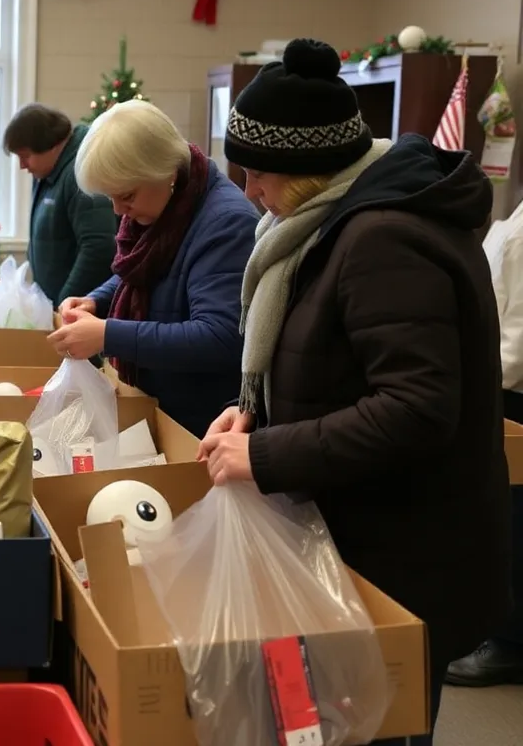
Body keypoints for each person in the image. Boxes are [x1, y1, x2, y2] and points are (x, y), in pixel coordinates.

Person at [197, 38, 512, 745]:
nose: (248, 193)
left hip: (402, 557)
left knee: (383, 730)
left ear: (310, 171)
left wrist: (269, 454)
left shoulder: (382, 240)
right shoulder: (331, 228)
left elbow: (416, 408)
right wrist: (256, 414)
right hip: (360, 541)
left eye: (259, 173)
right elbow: (334, 363)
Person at [47, 100, 258, 438]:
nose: (119, 210)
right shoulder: (170, 207)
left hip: (199, 425)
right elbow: (144, 270)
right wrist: (97, 301)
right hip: (165, 408)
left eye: (127, 195)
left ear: (167, 172)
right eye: (111, 198)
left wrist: (107, 334)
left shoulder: (225, 224)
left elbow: (219, 337)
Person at [445, 201, 523, 687]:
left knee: (515, 522)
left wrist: (474, 385)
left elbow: (514, 339)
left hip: (510, 390)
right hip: (500, 383)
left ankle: (510, 643)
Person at [3, 103, 116, 303]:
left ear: (50, 145)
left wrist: (65, 303)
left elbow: (99, 246)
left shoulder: (80, 173)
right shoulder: (48, 172)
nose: (22, 165)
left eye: (26, 156)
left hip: (74, 311)